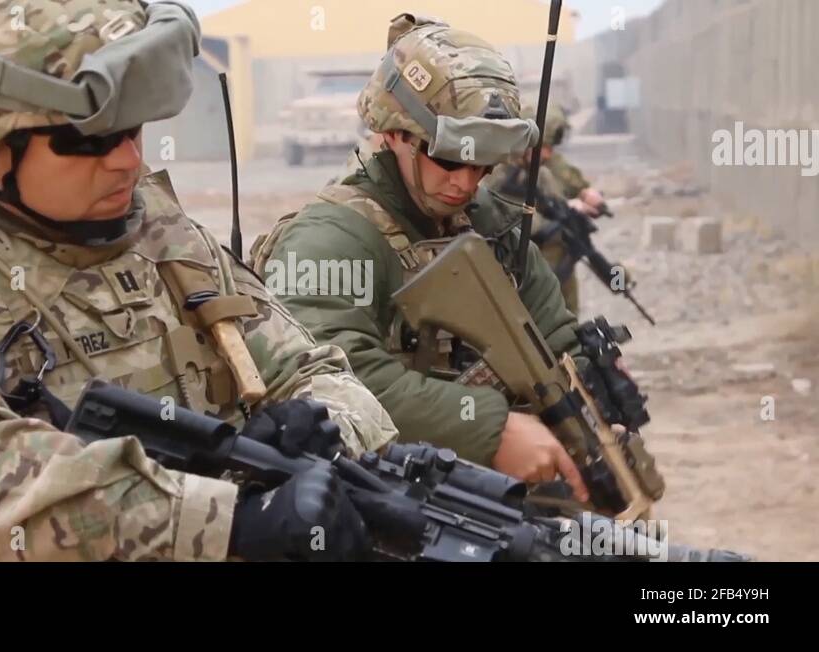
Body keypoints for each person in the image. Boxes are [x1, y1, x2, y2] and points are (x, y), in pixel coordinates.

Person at [0, 0, 397, 563]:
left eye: (132, 130)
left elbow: (317, 371)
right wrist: (222, 521)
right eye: (88, 140)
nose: (127, 161)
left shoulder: (162, 234)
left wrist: (319, 432)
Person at [250, 13, 589, 502]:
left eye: (484, 163)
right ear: (394, 134)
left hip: (488, 496)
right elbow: (332, 377)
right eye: (449, 158)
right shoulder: (331, 239)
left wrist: (586, 400)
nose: (466, 182)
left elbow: (554, 337)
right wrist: (492, 430)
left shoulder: (492, 223)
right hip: (373, 497)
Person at [486, 104, 608, 314]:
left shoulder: (539, 170)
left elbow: (560, 182)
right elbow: (497, 214)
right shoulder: (496, 168)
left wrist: (577, 201)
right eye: (545, 147)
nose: (549, 154)